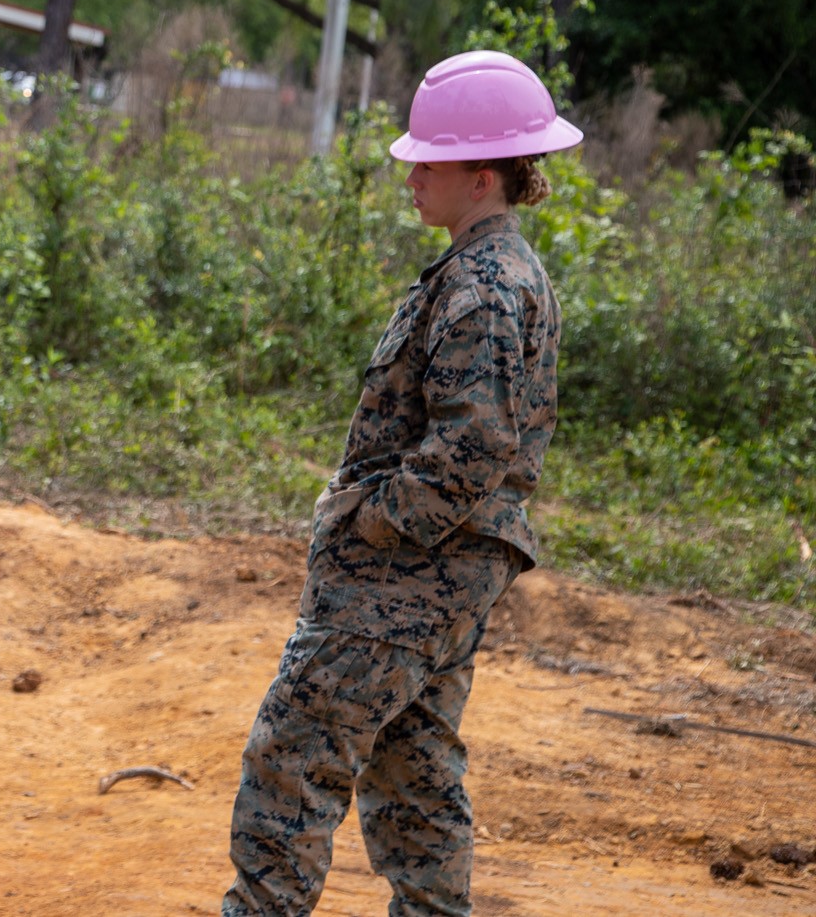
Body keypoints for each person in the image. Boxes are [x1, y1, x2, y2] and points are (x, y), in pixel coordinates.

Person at [222, 50, 583, 917]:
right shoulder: (486, 271)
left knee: (295, 752)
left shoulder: (487, 285)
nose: (412, 173)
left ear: (483, 176)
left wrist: (373, 522)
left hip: (409, 576)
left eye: (431, 160)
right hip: (446, 573)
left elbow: (476, 440)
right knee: (411, 765)